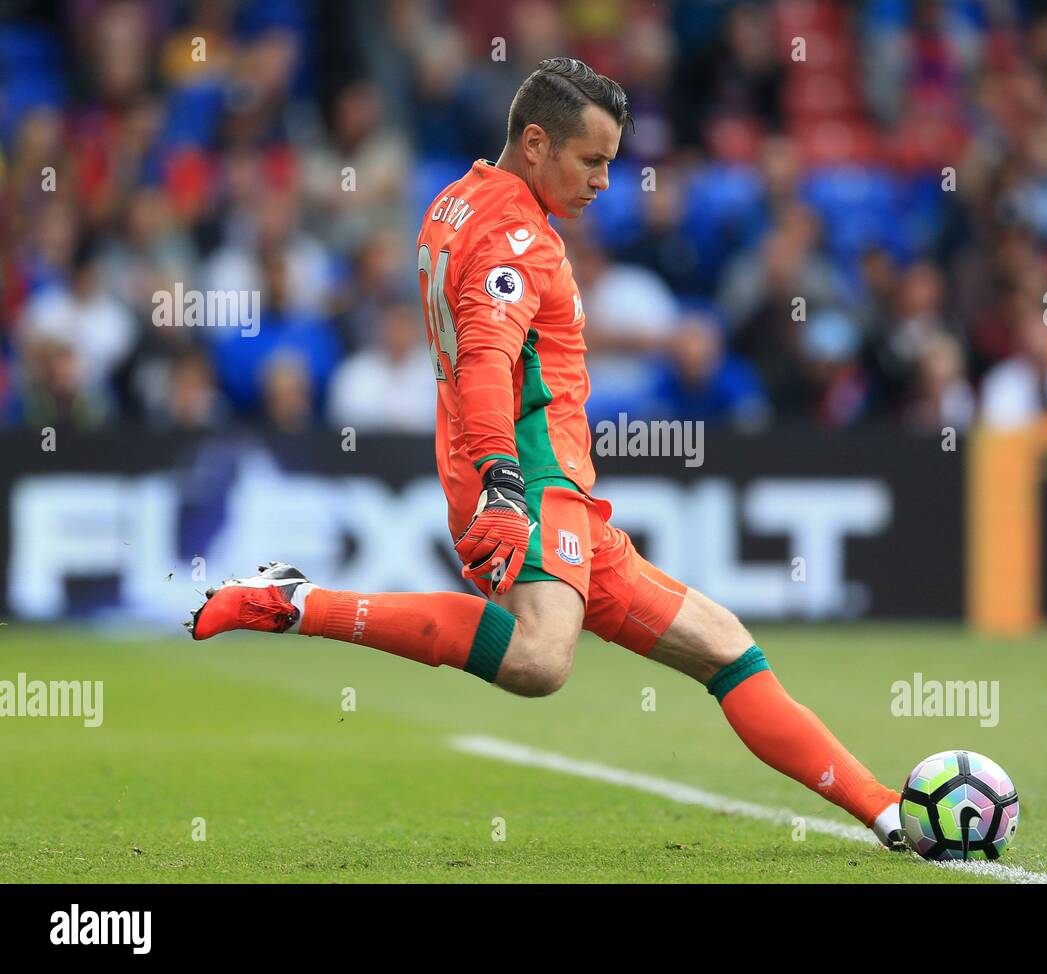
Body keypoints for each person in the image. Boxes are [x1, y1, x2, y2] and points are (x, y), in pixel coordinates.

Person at [186, 57, 903, 849]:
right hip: (529, 476)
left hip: (539, 480)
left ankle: (887, 812)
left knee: (724, 646)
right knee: (538, 658)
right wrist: (502, 478)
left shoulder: (458, 199)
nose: (605, 181)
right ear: (536, 142)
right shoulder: (518, 236)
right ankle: (296, 604)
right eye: (591, 160)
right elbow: (490, 356)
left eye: (612, 162)